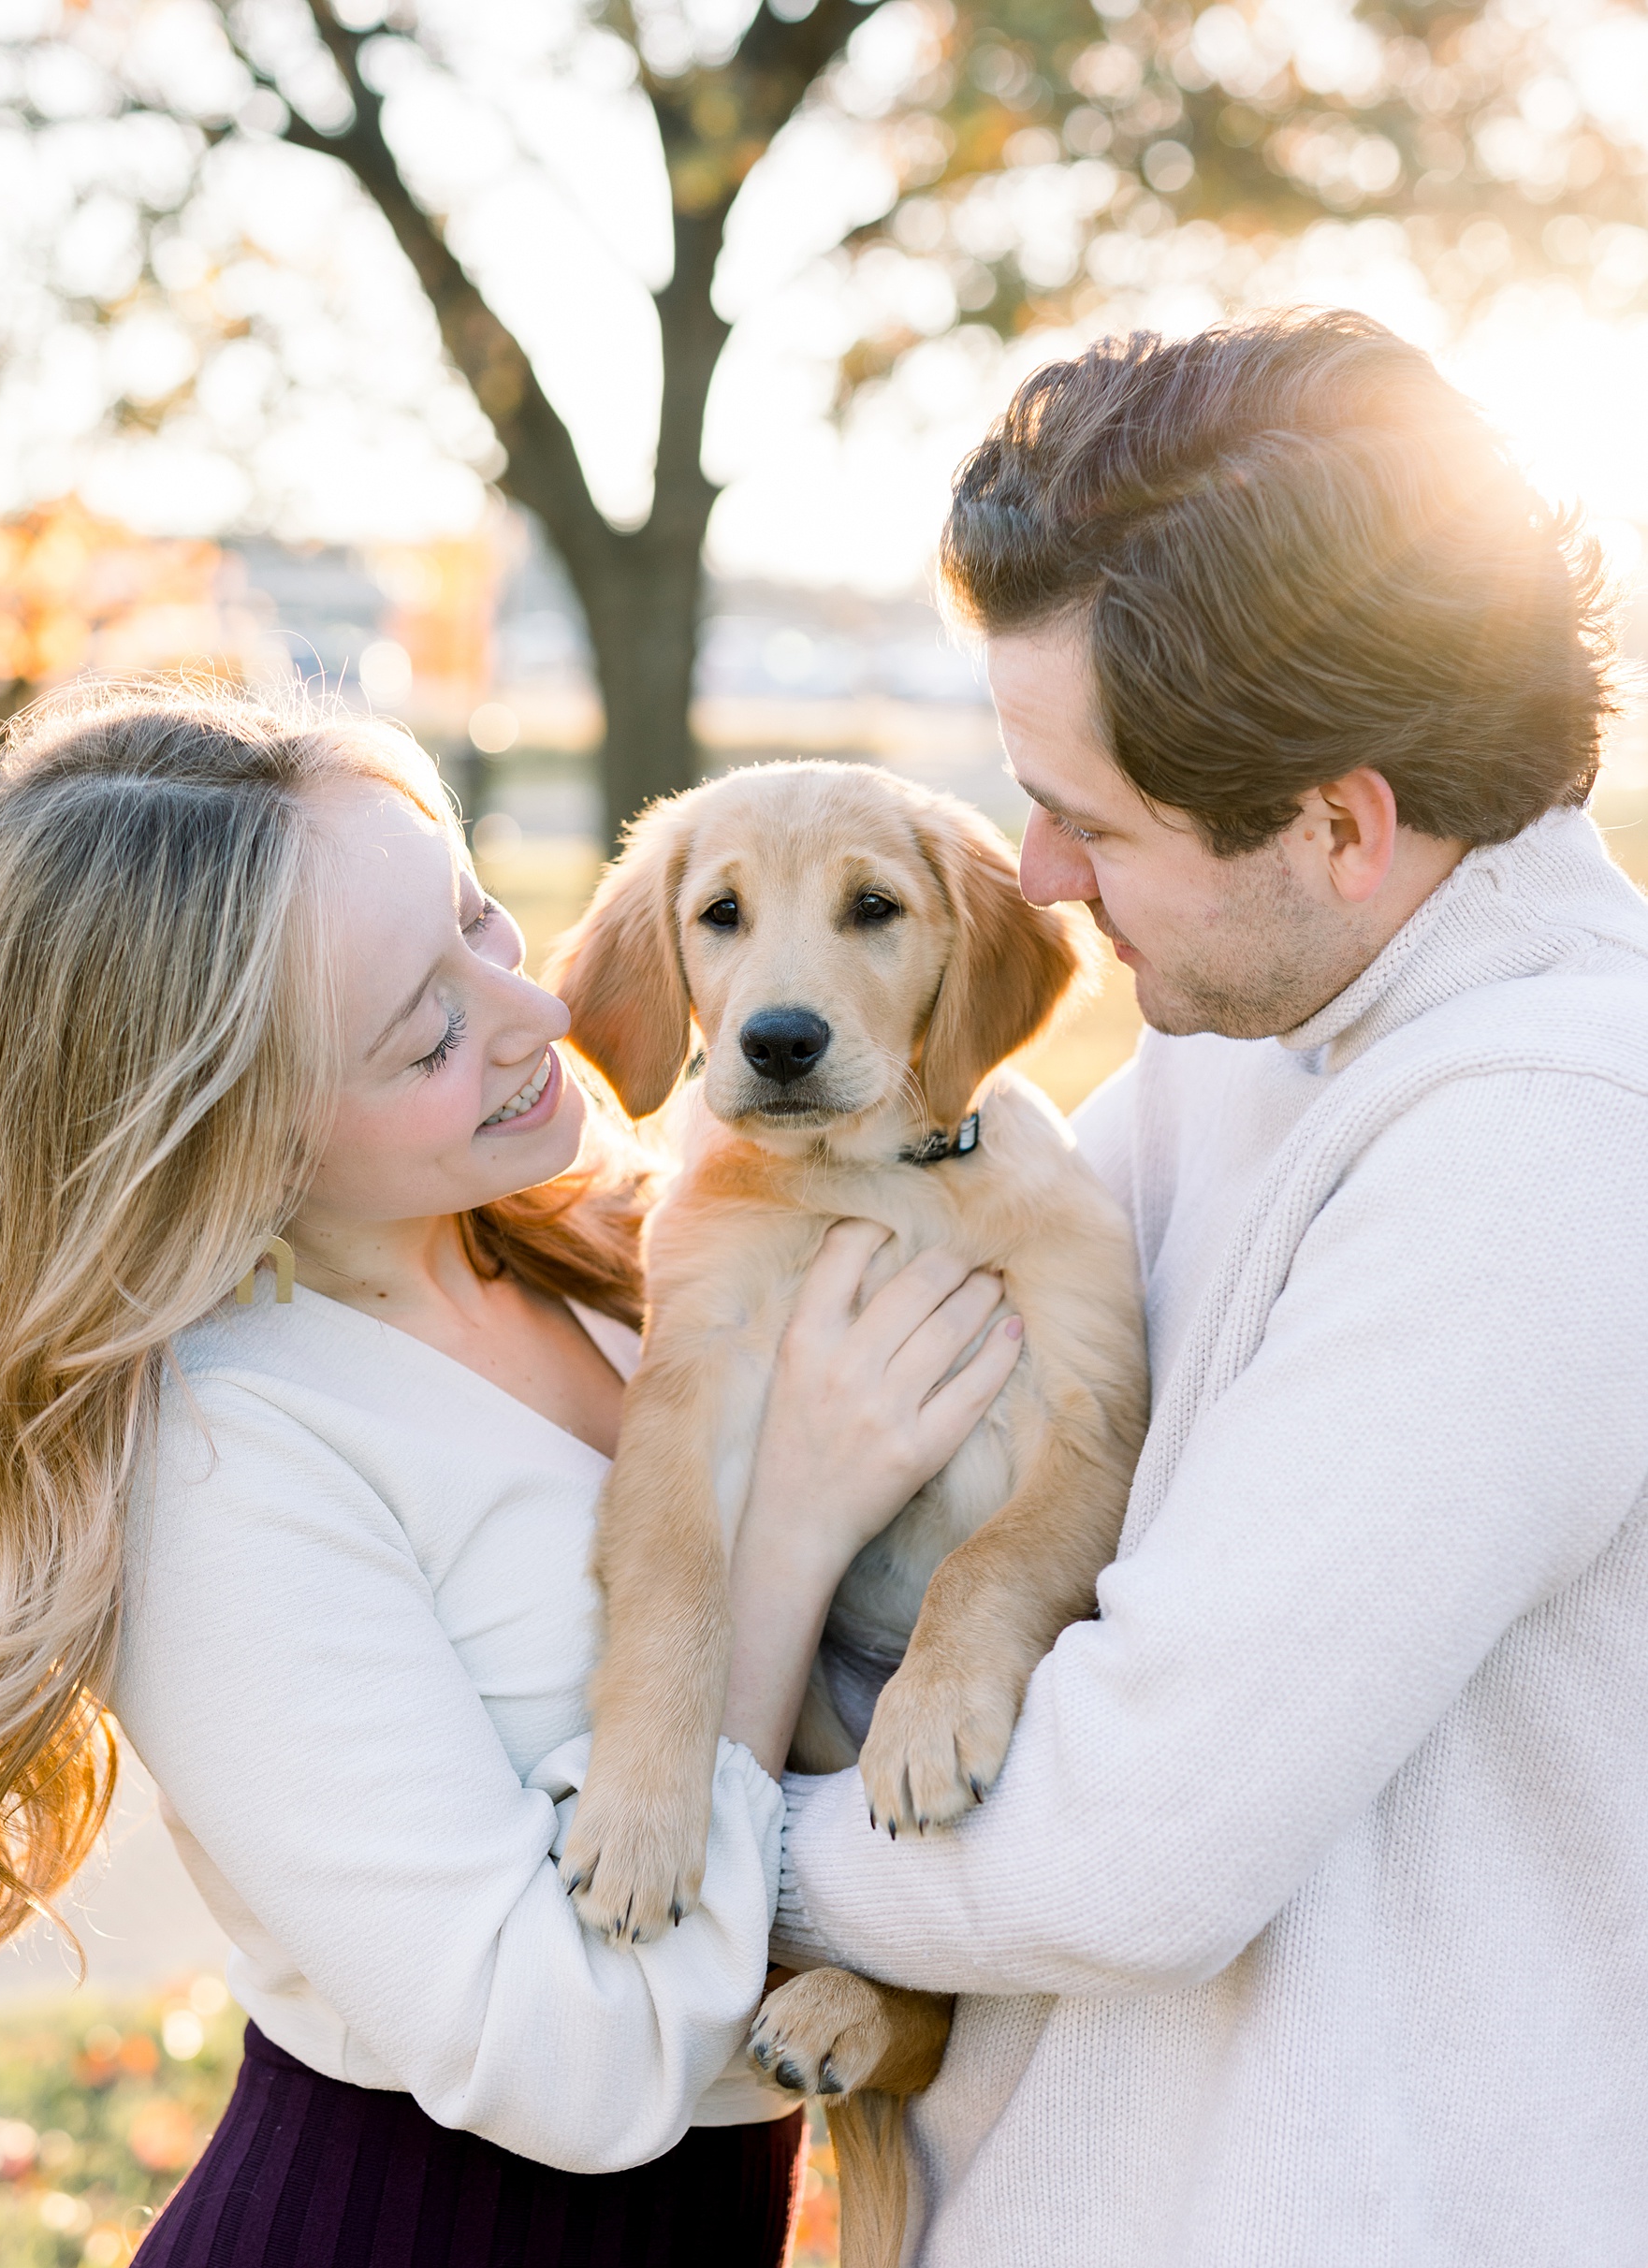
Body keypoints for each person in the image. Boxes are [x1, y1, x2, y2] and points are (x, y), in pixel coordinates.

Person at [773, 310, 1648, 2264]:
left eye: (1088, 820)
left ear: (1341, 826)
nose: (1038, 877)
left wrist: (713, 1850)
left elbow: (1138, 1832)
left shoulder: (1554, 1144)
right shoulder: (1260, 1020)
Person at [0, 685, 1021, 2266]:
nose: (534, 1021)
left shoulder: (601, 1253)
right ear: (228, 1126)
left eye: (477, 923)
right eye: (425, 1031)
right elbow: (568, 2065)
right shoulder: (231, 1460)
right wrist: (783, 1534)